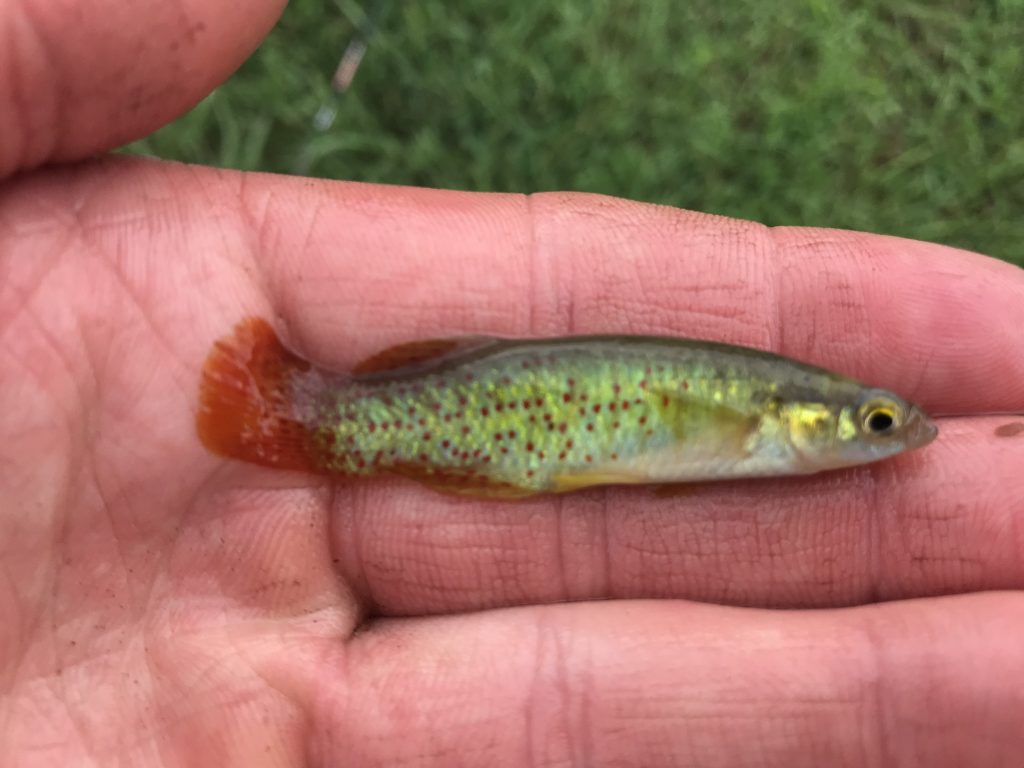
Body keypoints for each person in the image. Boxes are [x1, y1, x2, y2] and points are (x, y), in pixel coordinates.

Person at [2, 2, 1023, 765]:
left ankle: (327, 414)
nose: (889, 435)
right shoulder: (756, 419)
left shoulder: (771, 427)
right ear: (800, 418)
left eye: (880, 424)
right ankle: (310, 412)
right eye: (874, 423)